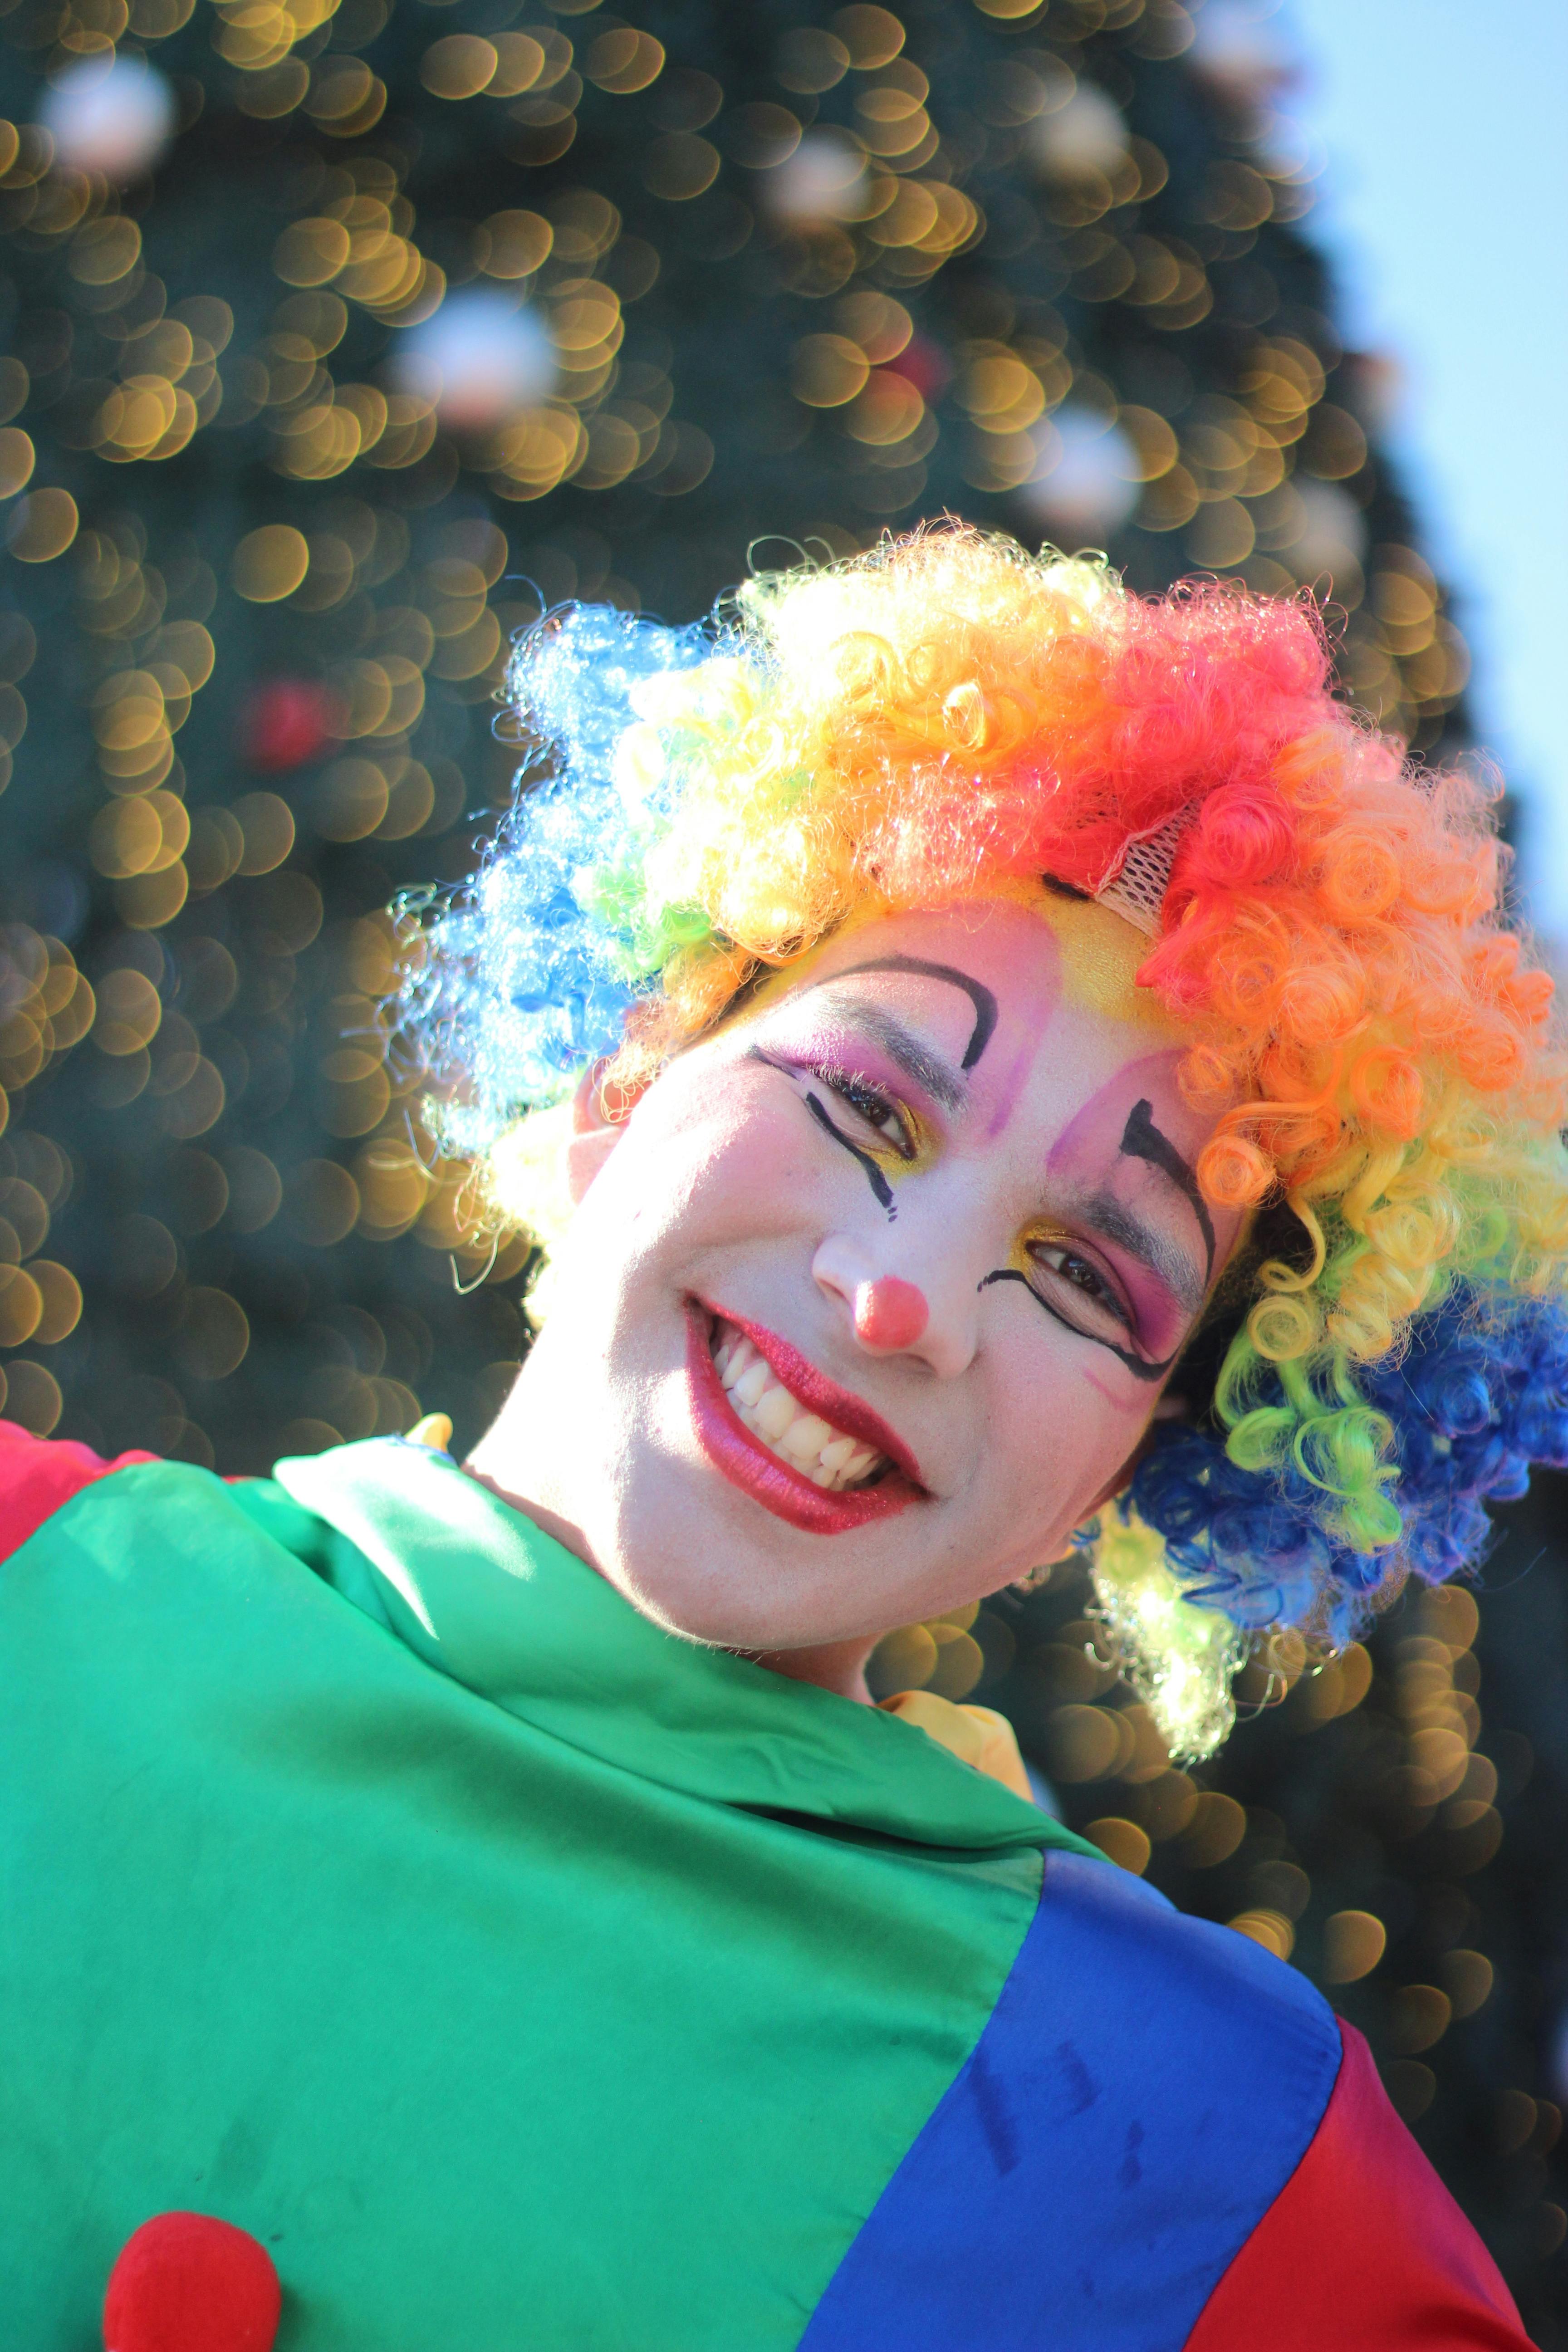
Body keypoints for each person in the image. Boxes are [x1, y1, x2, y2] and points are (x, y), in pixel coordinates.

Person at [2, 528, 1558, 2347]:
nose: (901, 1297)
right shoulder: (28, 1590)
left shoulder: (1220, 2175)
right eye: (869, 1110)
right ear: (624, 1080)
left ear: (1131, 1463)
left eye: (1079, 1271)